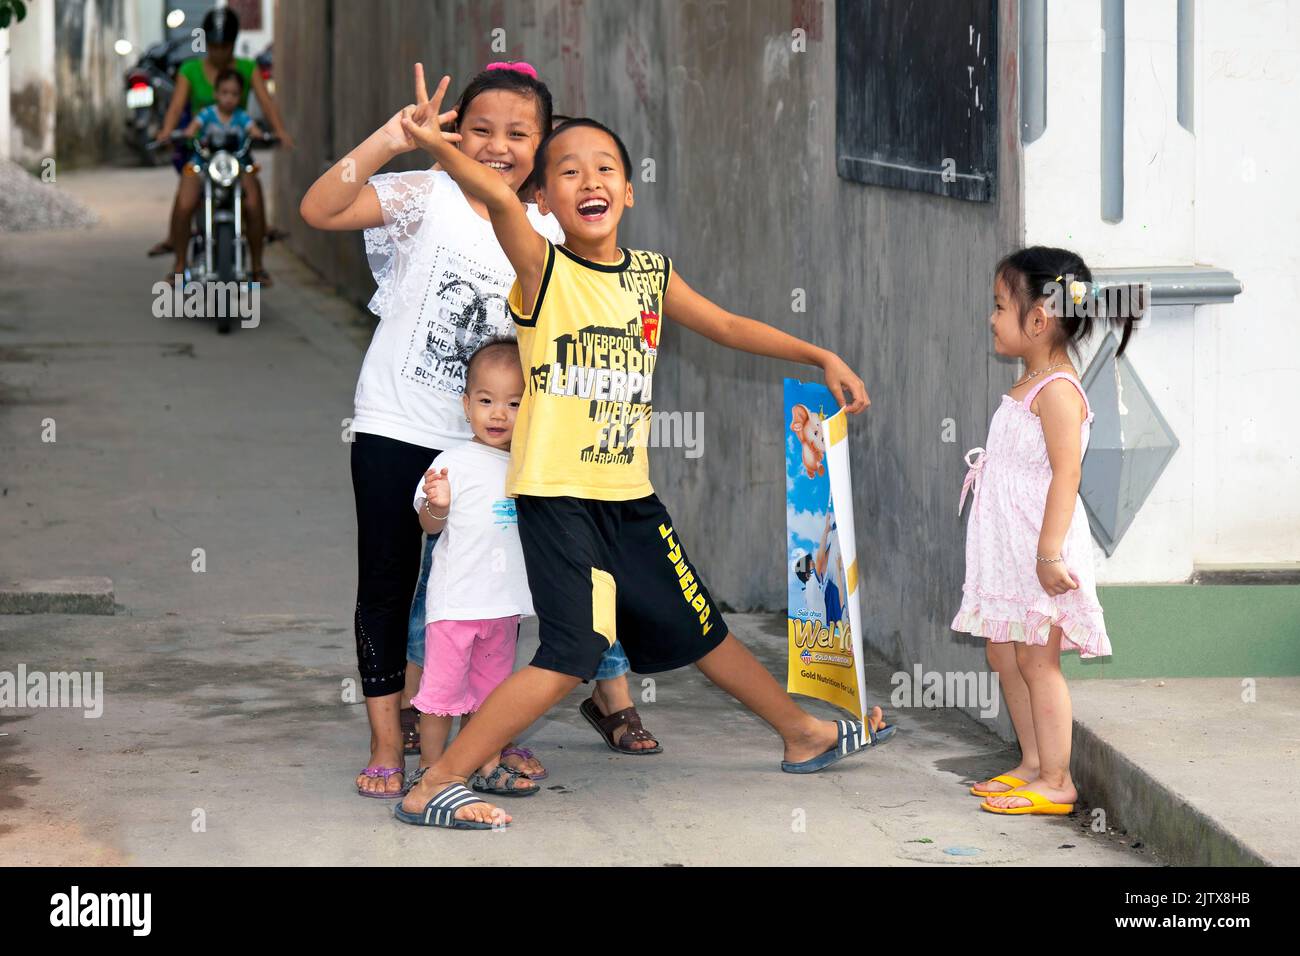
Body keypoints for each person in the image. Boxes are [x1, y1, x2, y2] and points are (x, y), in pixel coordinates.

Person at [395, 70, 893, 830]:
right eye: (567, 172)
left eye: (605, 170)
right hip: (561, 501)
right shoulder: (542, 272)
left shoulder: (650, 277)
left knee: (700, 625)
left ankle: (802, 734)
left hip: (629, 501)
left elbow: (725, 325)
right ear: (547, 203)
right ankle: (437, 782)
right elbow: (497, 199)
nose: (588, 181)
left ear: (628, 192)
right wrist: (439, 147)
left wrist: (817, 354)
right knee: (572, 651)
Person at [300, 63, 657, 799]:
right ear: (455, 128)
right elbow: (319, 208)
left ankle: (483, 735)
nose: (498, 146)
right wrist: (393, 139)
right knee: (390, 585)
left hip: (507, 441)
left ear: (543, 142)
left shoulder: (554, 228)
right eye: (481, 129)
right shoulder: (424, 195)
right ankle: (383, 738)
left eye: (519, 134)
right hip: (398, 426)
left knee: (497, 594)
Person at [953, 246, 1130, 815]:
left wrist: (1049, 553)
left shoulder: (1057, 390)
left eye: (1000, 306)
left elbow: (1067, 473)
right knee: (1004, 657)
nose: (991, 317)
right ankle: (1031, 762)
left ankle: (1057, 779)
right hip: (1009, 547)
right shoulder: (1032, 378)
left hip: (1040, 546)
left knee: (1037, 660)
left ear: (1038, 320)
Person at [398, 339, 544, 809]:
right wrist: (437, 507)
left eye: (514, 403)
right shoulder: (450, 464)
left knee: (491, 699)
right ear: (466, 404)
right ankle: (433, 769)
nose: (498, 413)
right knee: (439, 696)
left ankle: (483, 765)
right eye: (486, 401)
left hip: (503, 609)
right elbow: (428, 525)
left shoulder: (531, 470)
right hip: (456, 606)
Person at [153, 6, 292, 282]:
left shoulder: (247, 68)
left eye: (225, 46)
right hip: (202, 155)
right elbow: (176, 106)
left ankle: (256, 266)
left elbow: (266, 102)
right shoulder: (189, 70)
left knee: (253, 202)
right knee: (185, 202)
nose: (219, 52)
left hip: (237, 156)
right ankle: (180, 266)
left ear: (233, 43)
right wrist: (167, 132)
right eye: (214, 46)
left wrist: (278, 132)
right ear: (206, 43)